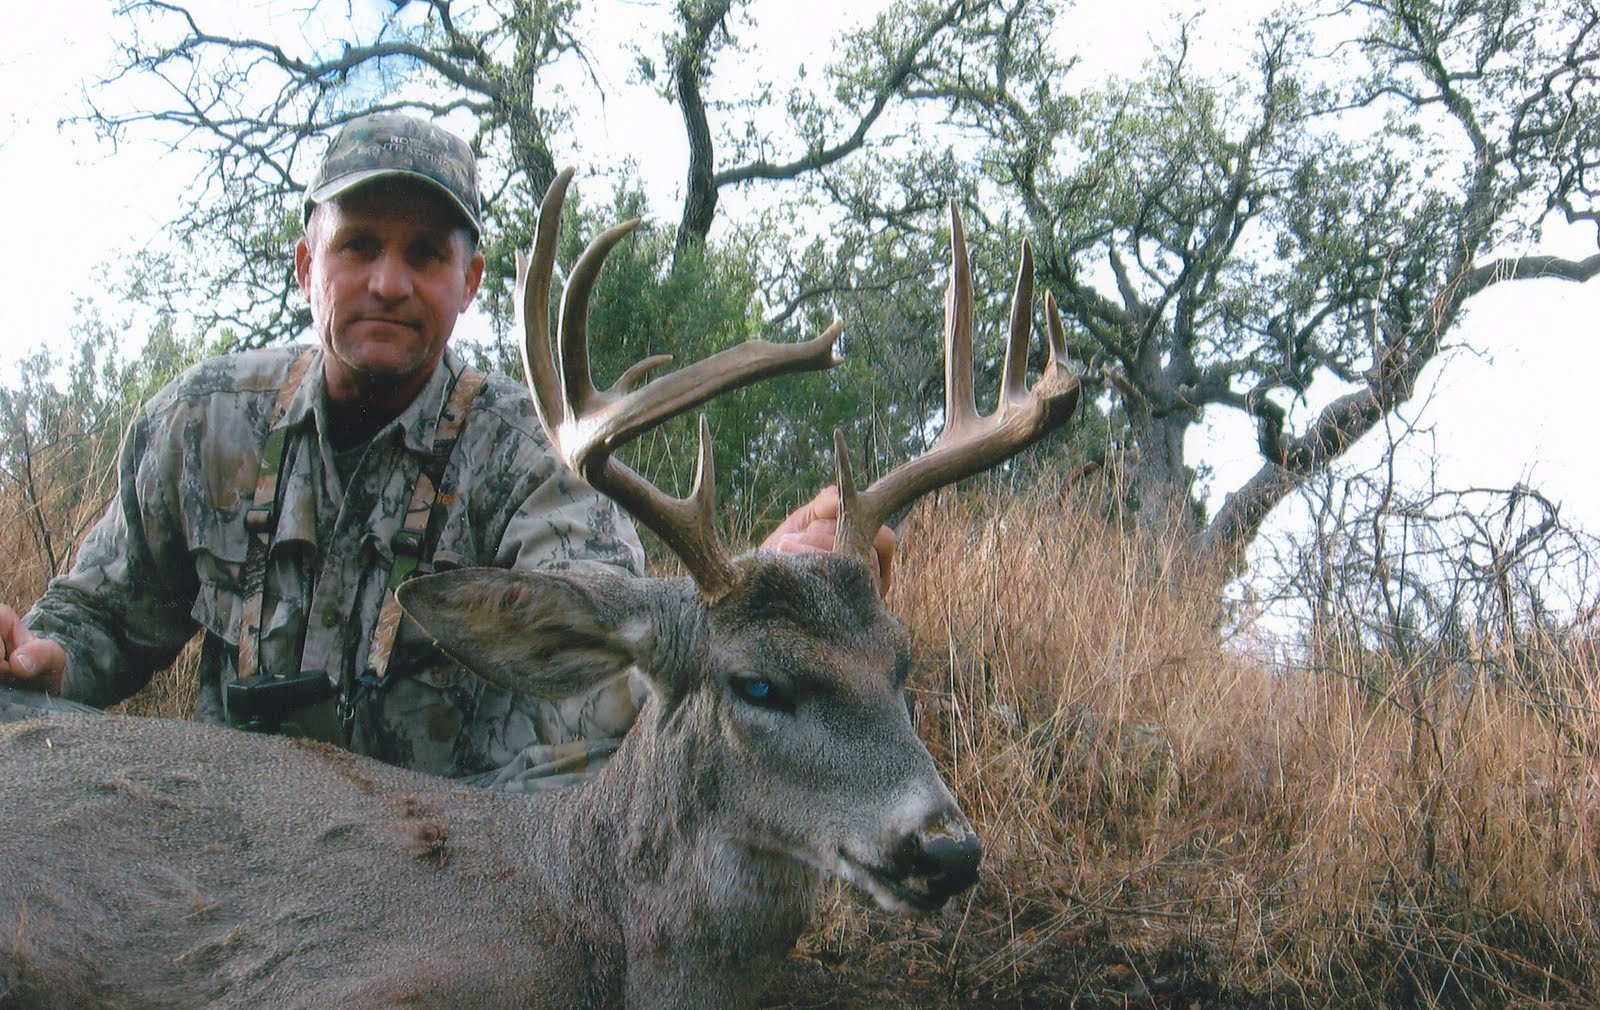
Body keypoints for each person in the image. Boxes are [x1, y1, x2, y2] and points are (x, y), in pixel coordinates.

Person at [0, 112, 891, 792]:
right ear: (307, 265)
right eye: (358, 246)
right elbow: (105, 616)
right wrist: (46, 659)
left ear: (469, 283)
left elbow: (602, 640)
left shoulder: (532, 456)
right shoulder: (205, 424)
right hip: (225, 851)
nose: (389, 282)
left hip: (444, 870)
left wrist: (749, 592)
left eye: (425, 254)